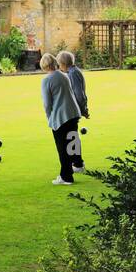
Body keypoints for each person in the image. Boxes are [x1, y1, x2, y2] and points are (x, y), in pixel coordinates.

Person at [39, 53, 84, 186]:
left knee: (62, 147)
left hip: (61, 117)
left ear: (44, 66)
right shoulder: (64, 75)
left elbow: (47, 103)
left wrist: (50, 118)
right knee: (72, 141)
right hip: (73, 113)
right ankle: (77, 164)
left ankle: (66, 177)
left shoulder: (46, 80)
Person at [57, 51, 87, 171]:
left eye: (59, 64)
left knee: (71, 137)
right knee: (72, 136)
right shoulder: (74, 71)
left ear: (63, 63)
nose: (59, 67)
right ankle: (77, 162)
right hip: (74, 108)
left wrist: (83, 109)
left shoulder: (73, 74)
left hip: (73, 109)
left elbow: (79, 94)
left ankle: (77, 163)